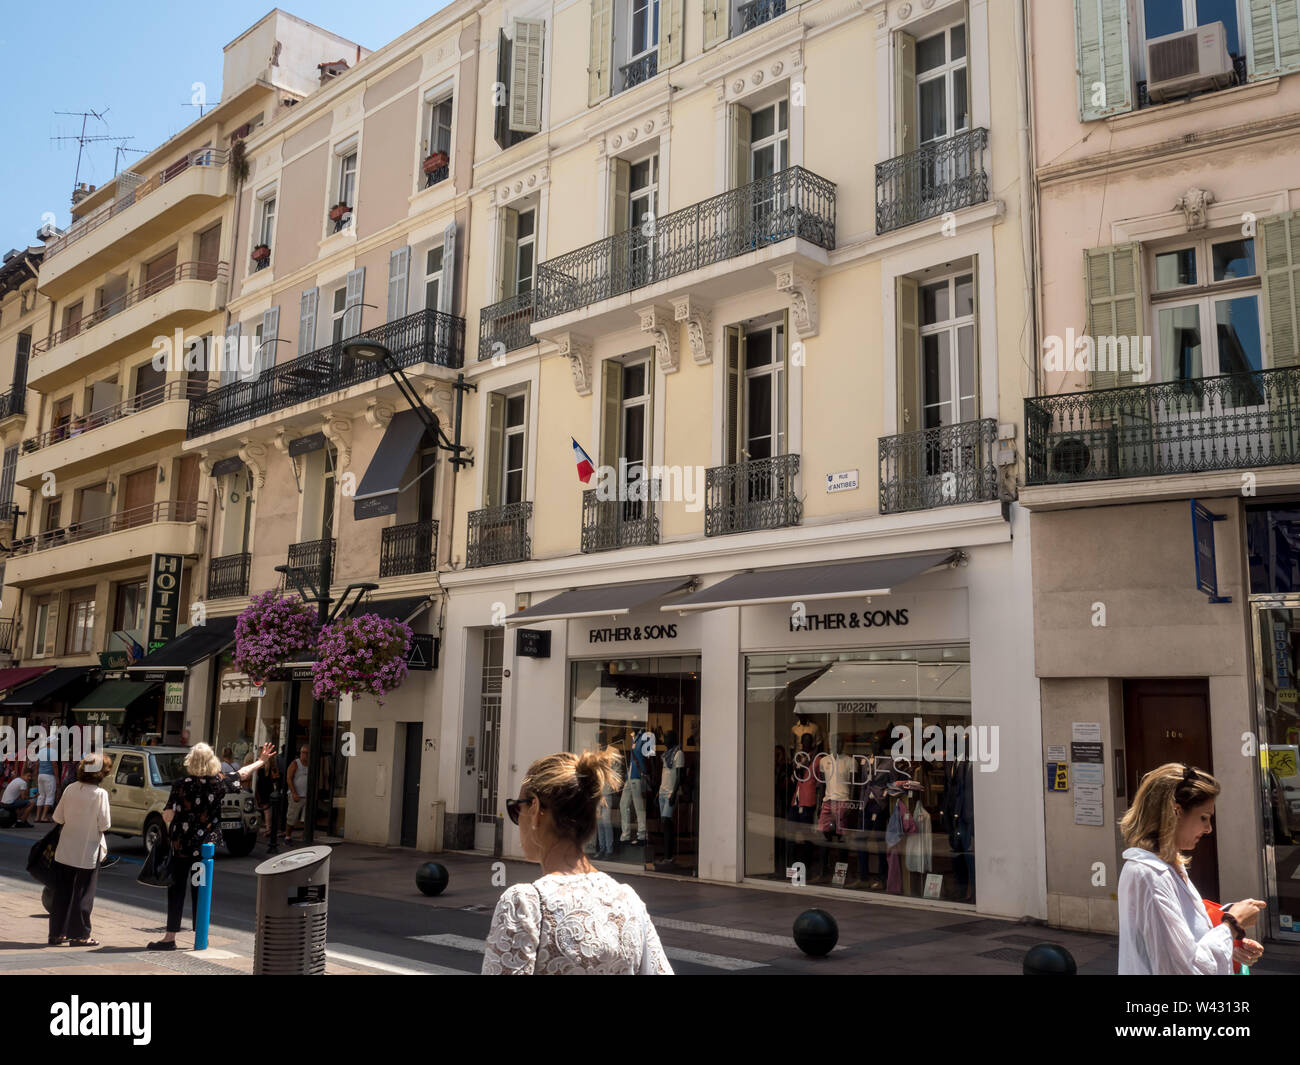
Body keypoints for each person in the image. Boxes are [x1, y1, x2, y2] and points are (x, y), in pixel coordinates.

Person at [483, 749, 673, 974]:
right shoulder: (629, 901)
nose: (518, 819)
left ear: (535, 809)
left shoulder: (525, 904)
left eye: (517, 809)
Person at [1118, 763, 1266, 974]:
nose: (1208, 829)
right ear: (1176, 812)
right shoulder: (1149, 875)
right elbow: (1182, 968)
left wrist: (1230, 944)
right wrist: (1232, 924)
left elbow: (1186, 940)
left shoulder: (1168, 867)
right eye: (1203, 817)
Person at [147, 741, 276, 951]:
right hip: (206, 845)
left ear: (190, 761)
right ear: (212, 761)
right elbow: (243, 773)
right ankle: (201, 937)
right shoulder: (219, 782)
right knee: (201, 889)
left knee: (176, 888)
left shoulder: (180, 784)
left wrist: (173, 814)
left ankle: (170, 936)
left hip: (181, 844)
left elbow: (168, 814)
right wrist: (261, 761)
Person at [48, 756, 113, 947]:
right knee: (84, 894)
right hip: (87, 850)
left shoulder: (70, 789)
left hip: (65, 848)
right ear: (102, 773)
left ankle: (57, 934)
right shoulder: (100, 794)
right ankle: (80, 935)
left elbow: (58, 817)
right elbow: (105, 824)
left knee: (62, 892)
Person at [285, 745, 310, 844]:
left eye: (307, 753)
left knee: (306, 818)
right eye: (304, 753)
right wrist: (294, 793)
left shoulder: (311, 764)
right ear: (300, 753)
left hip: (306, 795)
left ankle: (305, 837)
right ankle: (287, 837)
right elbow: (289, 778)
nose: (306, 755)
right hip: (296, 795)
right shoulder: (295, 763)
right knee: (292, 817)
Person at [35, 741, 57, 823]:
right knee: (49, 796)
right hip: (49, 776)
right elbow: (54, 765)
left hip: (40, 775)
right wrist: (57, 779)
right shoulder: (53, 751)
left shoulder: (40, 751)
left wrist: (36, 774)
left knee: (41, 796)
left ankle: (37, 817)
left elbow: (37, 764)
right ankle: (43, 817)